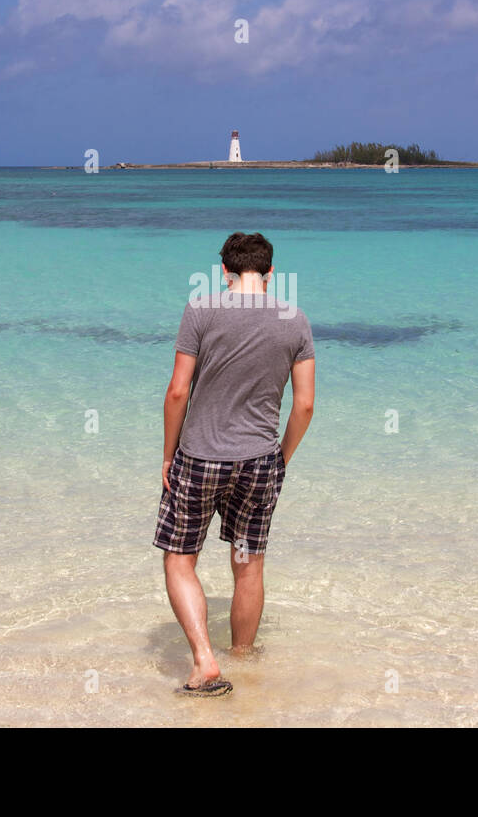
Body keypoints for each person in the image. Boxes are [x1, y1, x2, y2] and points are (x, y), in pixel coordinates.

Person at [154, 232, 315, 696]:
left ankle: (205, 661)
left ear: (224, 271)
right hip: (261, 461)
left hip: (201, 457)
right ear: (270, 273)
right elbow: (304, 406)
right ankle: (244, 662)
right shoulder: (295, 319)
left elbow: (178, 391)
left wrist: (168, 454)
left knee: (181, 559)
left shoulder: (201, 309)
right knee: (248, 565)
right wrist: (279, 458)